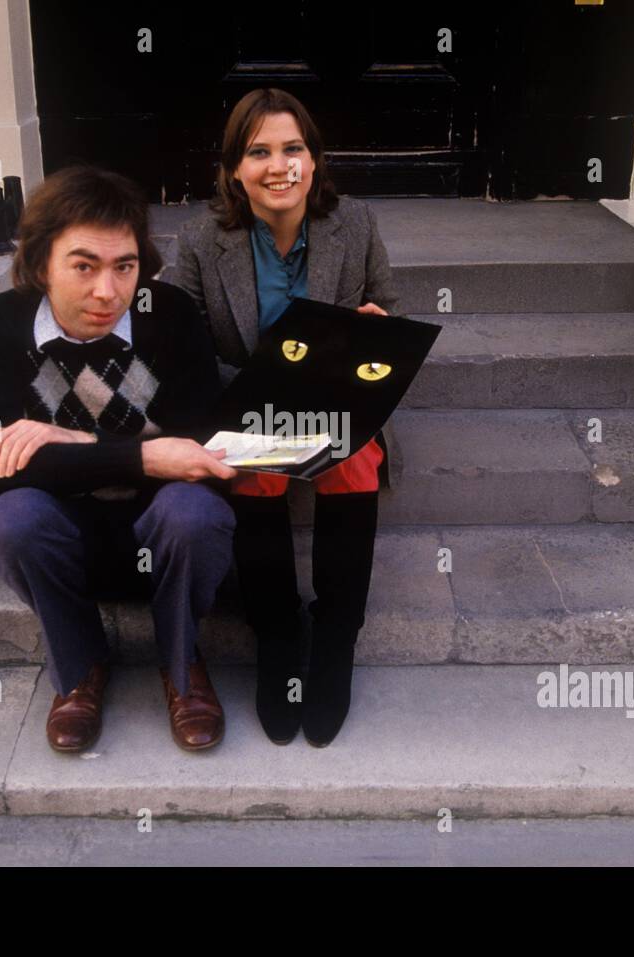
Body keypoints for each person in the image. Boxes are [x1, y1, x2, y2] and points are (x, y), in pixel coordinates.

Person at [0, 165, 238, 754]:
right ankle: (80, 667)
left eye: (125, 266)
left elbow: (200, 452)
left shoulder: (169, 316)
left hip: (158, 528)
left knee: (197, 512)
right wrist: (145, 457)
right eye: (84, 266)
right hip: (62, 537)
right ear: (41, 264)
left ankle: (182, 663)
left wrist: (73, 444)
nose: (107, 292)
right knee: (12, 520)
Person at [169, 88, 400, 747]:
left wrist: (375, 333)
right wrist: (255, 393)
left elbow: (386, 305)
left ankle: (334, 637)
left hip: (335, 401)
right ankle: (277, 632)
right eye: (259, 151)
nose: (279, 165)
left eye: (293, 148)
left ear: (315, 159)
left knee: (354, 457)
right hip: (248, 402)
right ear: (235, 169)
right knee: (254, 465)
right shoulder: (199, 240)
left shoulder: (353, 223)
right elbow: (182, 348)